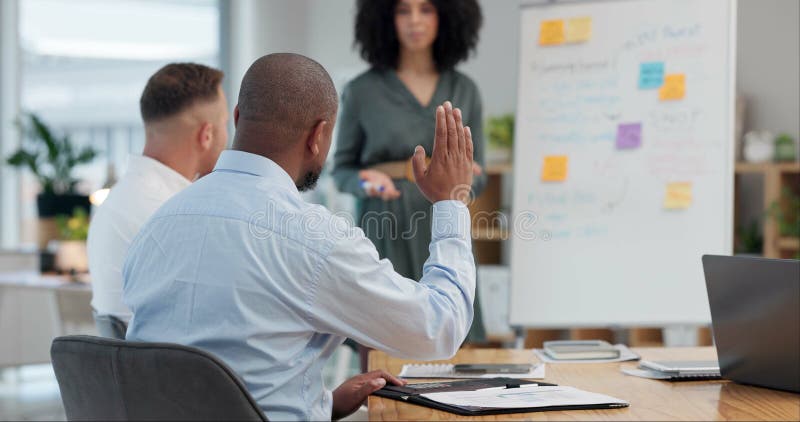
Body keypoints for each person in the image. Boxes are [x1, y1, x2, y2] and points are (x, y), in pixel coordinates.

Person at [122, 53, 476, 421]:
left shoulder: (158, 223)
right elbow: (439, 329)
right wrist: (450, 202)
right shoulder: (314, 240)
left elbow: (213, 370)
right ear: (318, 135)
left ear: (238, 117)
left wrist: (322, 403)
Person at [331, 0, 487, 365]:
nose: (414, 21)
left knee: (451, 335)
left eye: (426, 9)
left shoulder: (465, 89)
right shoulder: (361, 91)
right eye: (403, 10)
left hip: (444, 221)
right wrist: (363, 181)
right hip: (385, 224)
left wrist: (463, 186)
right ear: (386, 18)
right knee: (382, 339)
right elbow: (341, 170)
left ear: (446, 16)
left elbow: (476, 176)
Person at [87, 63, 228, 327]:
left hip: (136, 362)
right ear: (207, 135)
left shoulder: (120, 199)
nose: (228, 135)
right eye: (225, 124)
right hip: (173, 364)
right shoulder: (174, 214)